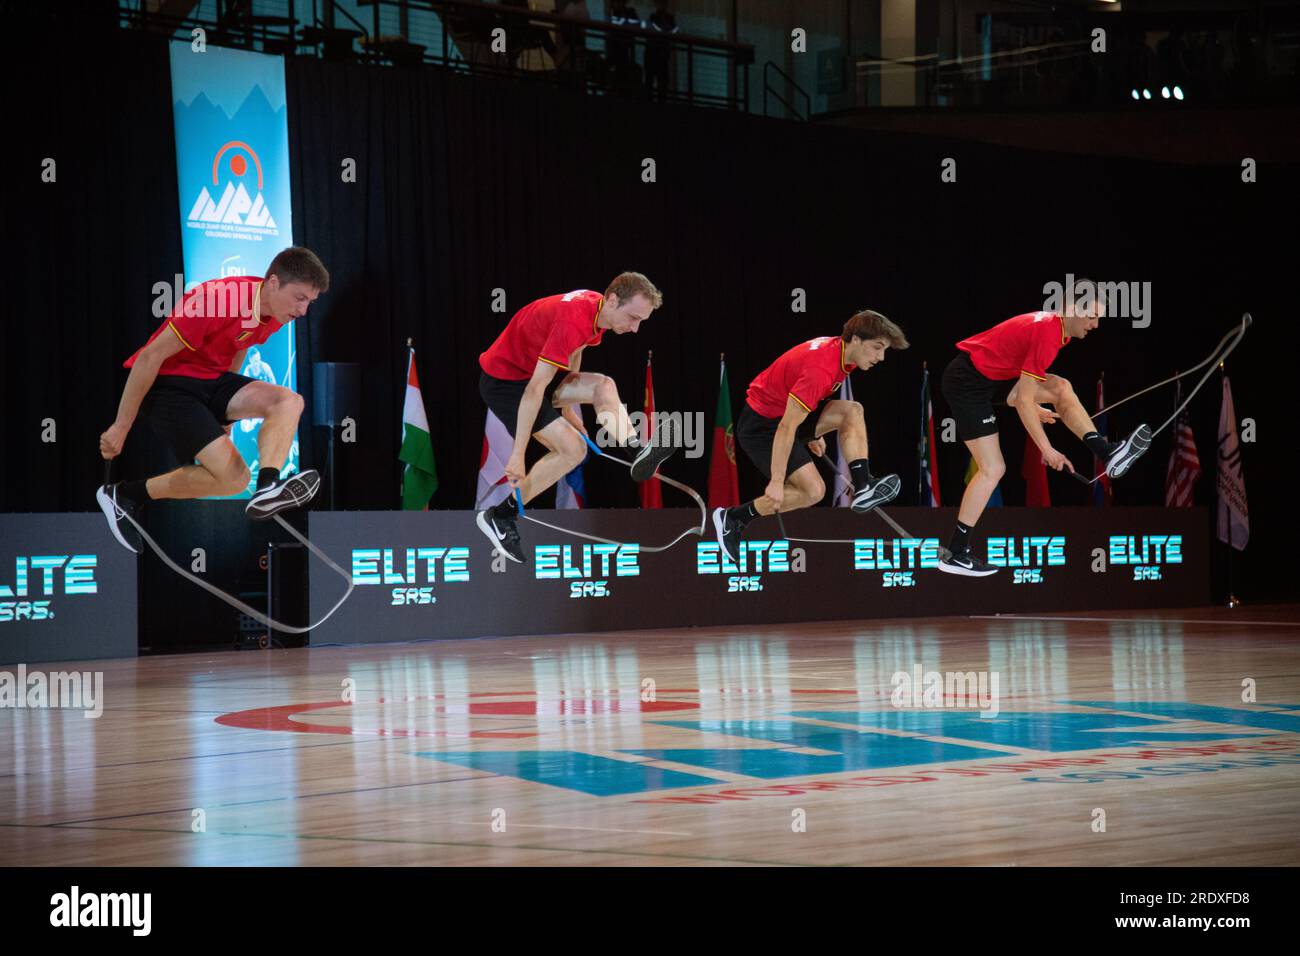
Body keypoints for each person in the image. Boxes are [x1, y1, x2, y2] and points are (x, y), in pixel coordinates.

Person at [96, 247, 329, 553]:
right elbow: (148, 358)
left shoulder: (273, 315)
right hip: (169, 386)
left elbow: (239, 345)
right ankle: (125, 495)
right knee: (232, 476)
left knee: (287, 404)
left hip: (210, 382)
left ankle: (267, 487)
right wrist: (121, 426)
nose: (303, 311)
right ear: (273, 283)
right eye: (300, 298)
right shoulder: (218, 301)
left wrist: (225, 414)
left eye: (310, 302)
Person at [938, 287, 1149, 576]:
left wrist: (1031, 406)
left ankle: (1106, 452)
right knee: (993, 468)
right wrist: (1046, 449)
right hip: (967, 383)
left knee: (1061, 388)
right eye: (1092, 316)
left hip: (995, 377)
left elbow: (1020, 393)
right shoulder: (1048, 334)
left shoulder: (1055, 330)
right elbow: (1022, 400)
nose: (1095, 325)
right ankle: (956, 552)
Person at [476, 272, 677, 564]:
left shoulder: (596, 311)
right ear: (612, 300)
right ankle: (501, 515)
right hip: (507, 383)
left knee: (604, 385)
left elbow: (576, 351)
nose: (635, 329)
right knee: (574, 449)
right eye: (633, 318)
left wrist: (569, 409)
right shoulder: (573, 319)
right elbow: (534, 390)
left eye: (641, 322)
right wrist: (517, 455)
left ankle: (636, 450)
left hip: (535, 375)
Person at [711, 309, 910, 564]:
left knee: (853, 411)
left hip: (784, 413)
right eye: (878, 347)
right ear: (857, 339)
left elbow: (802, 397)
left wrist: (812, 432)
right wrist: (777, 480)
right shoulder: (822, 368)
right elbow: (785, 427)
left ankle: (863, 485)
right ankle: (734, 518)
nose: (881, 357)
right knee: (813, 491)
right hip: (762, 427)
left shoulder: (842, 354)